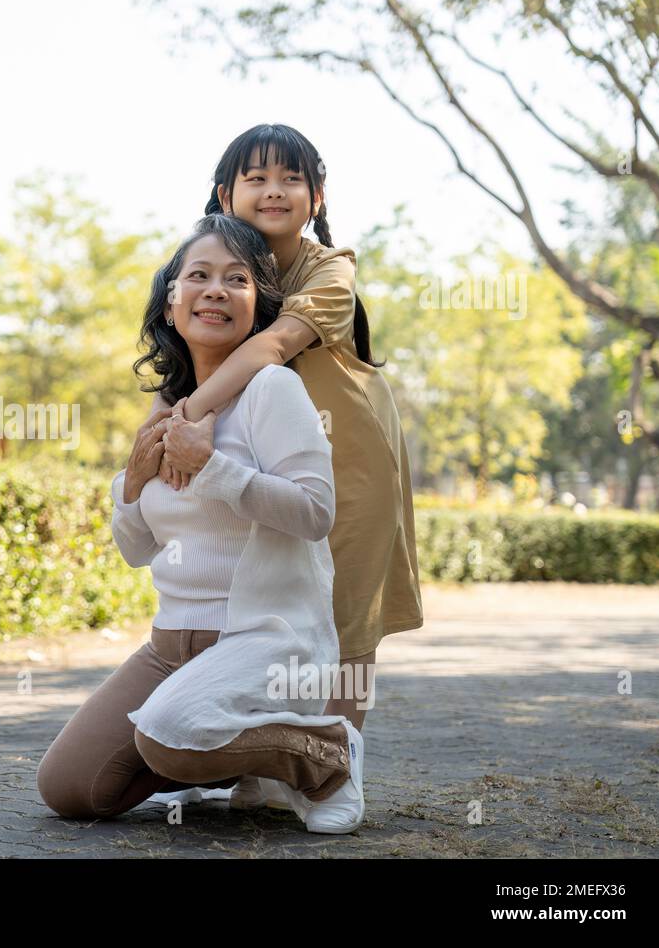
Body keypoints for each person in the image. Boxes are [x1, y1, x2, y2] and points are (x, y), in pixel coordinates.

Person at [37, 213, 363, 833]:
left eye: (237, 280)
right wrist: (132, 485)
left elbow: (315, 514)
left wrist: (212, 468)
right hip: (170, 644)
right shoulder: (167, 404)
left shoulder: (273, 390)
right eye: (199, 276)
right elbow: (136, 549)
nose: (216, 289)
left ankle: (328, 754)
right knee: (71, 789)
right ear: (171, 300)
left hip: (262, 639)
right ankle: (212, 757)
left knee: (168, 738)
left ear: (257, 309)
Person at [161, 124, 425, 814]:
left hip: (355, 457)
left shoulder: (330, 269)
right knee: (273, 606)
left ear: (317, 195)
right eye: (255, 177)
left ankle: (344, 764)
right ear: (226, 192)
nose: (273, 190)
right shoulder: (219, 262)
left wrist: (186, 419)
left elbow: (275, 345)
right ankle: (275, 762)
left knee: (350, 617)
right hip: (268, 455)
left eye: (290, 177)